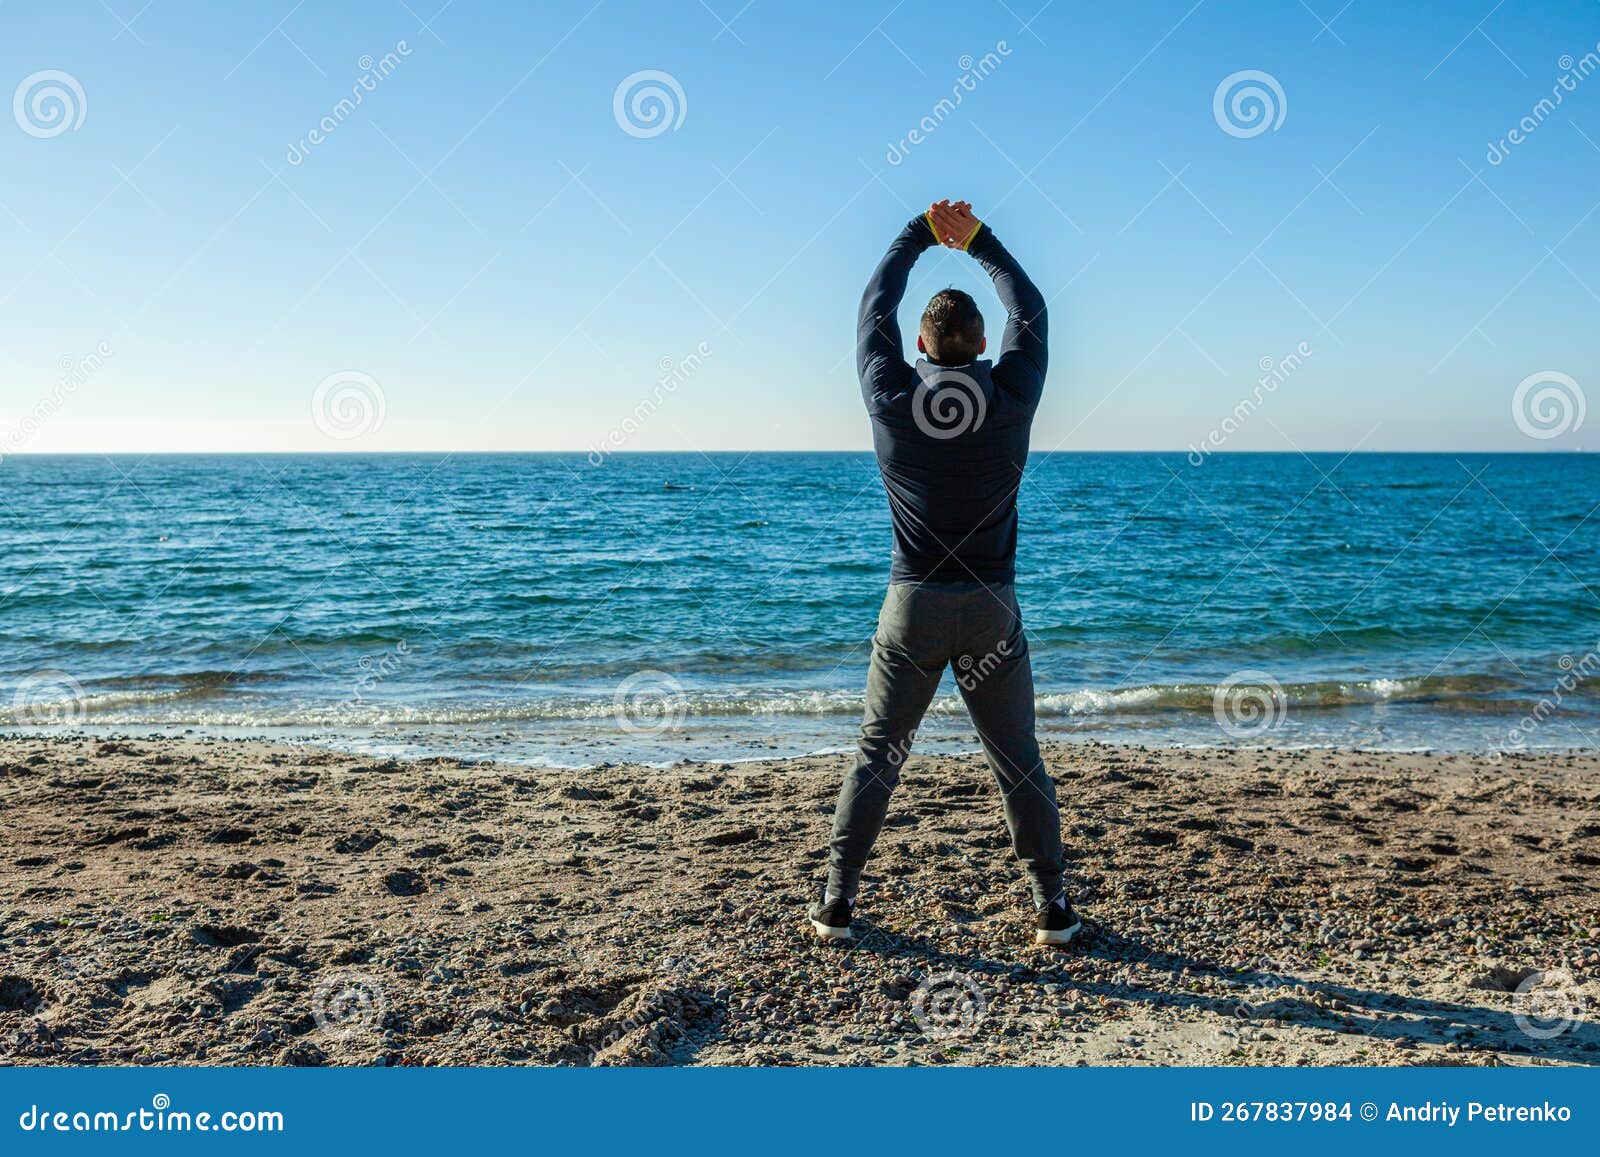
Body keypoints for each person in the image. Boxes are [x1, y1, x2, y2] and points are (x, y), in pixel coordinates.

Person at [809, 199, 1079, 947]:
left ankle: (836, 901)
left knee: (878, 755)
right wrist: (979, 241)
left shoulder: (892, 397)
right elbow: (1032, 308)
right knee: (1017, 760)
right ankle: (1051, 907)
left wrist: (918, 236)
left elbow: (873, 309)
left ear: (920, 342)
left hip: (913, 605)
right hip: (990, 605)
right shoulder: (1011, 397)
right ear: (984, 341)